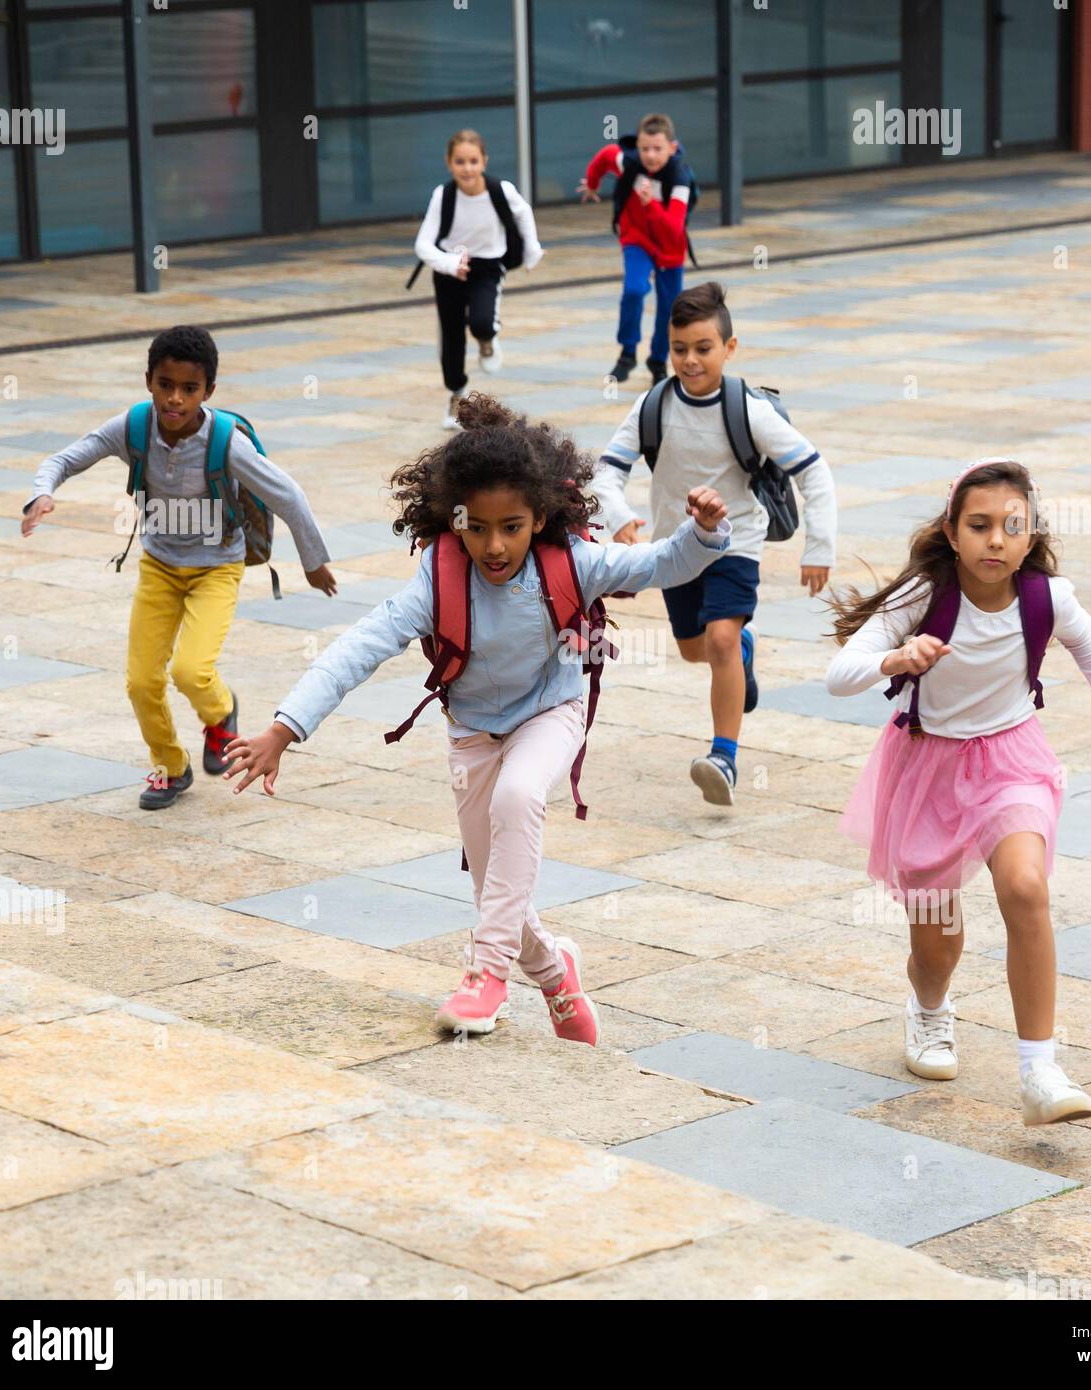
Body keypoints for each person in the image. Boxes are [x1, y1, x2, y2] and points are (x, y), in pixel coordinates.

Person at [222, 394, 731, 1046]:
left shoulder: (573, 562)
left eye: (513, 527)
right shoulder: (437, 578)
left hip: (552, 712)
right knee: (499, 886)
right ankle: (553, 971)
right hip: (471, 733)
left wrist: (705, 532)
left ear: (540, 516)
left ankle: (485, 975)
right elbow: (358, 648)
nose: (494, 545)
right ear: (451, 518)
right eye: (477, 527)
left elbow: (662, 563)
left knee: (520, 798)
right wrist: (284, 728)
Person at [826, 458, 1091, 1125]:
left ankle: (1039, 1068)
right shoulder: (922, 595)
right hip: (927, 768)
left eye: (1011, 527)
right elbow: (841, 673)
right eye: (978, 526)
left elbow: (1090, 646)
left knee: (1024, 886)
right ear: (952, 533)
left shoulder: (1047, 597)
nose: (995, 540)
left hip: (1012, 760)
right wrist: (892, 660)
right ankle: (928, 1008)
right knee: (937, 943)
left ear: (1029, 533)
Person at [19, 324, 335, 809]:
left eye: (189, 389)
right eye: (165, 385)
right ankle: (170, 766)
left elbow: (287, 494)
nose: (175, 399)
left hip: (217, 568)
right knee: (142, 680)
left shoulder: (225, 441)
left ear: (208, 391)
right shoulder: (134, 427)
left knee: (191, 670)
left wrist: (314, 562)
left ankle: (221, 713)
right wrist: (43, 492)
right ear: (149, 380)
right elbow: (67, 458)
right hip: (160, 566)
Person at [591, 281, 836, 805]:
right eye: (680, 349)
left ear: (729, 348)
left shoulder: (748, 409)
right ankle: (740, 653)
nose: (690, 360)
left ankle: (724, 758)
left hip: (736, 543)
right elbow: (607, 470)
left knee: (720, 639)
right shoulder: (652, 405)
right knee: (692, 648)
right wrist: (620, 517)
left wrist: (820, 547)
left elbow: (813, 470)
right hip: (675, 548)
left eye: (704, 349)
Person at [414, 129, 543, 429]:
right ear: (449, 163)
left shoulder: (501, 191)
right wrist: (448, 263)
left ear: (484, 161)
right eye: (460, 161)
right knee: (451, 336)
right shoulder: (443, 195)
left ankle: (487, 338)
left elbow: (524, 214)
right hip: (449, 271)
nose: (467, 168)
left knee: (482, 322)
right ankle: (456, 395)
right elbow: (423, 244)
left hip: (487, 266)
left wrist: (531, 251)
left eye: (473, 161)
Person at [578, 112, 697, 385]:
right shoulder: (629, 163)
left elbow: (674, 228)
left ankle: (658, 360)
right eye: (645, 148)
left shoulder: (680, 179)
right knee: (633, 289)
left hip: (669, 249)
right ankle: (627, 353)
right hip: (637, 240)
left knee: (669, 308)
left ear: (672, 147)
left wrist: (649, 204)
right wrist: (592, 183)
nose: (650, 156)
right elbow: (606, 155)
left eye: (658, 149)